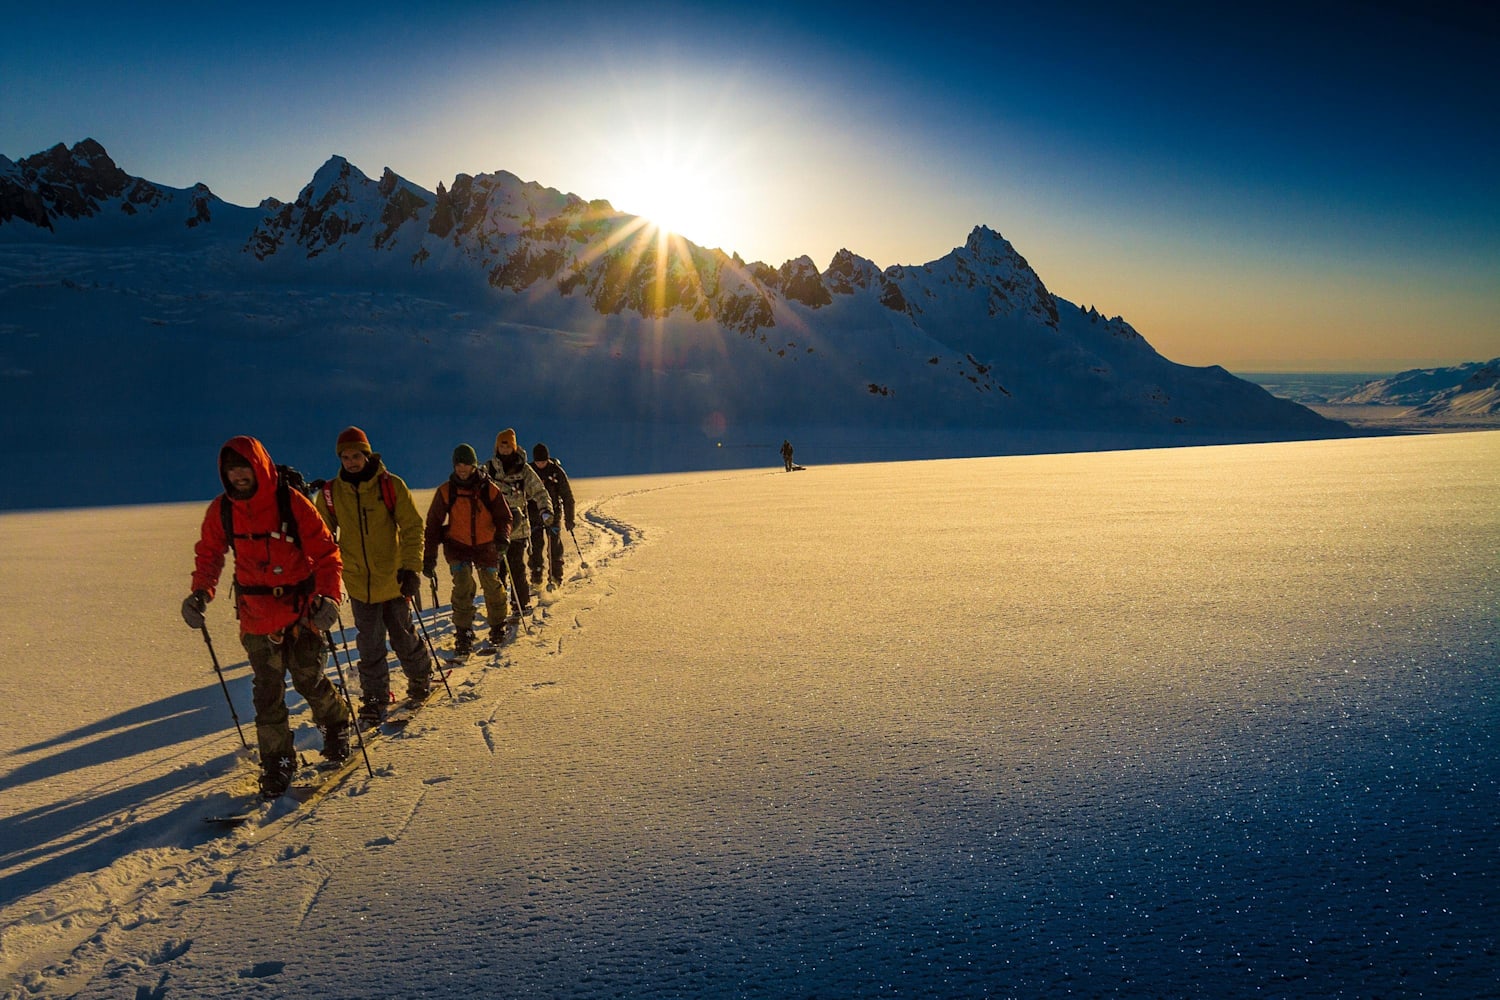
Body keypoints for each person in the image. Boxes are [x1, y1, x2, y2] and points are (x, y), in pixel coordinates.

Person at [181, 436, 351, 799]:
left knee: (308, 679)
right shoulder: (223, 510)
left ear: (258, 466)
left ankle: (336, 725)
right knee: (267, 692)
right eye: (231, 470)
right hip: (256, 618)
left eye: (244, 467)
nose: (238, 475)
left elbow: (326, 553)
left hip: (301, 612)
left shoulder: (291, 503)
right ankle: (277, 761)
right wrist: (200, 593)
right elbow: (209, 554)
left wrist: (329, 598)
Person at [319, 426, 433, 725]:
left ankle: (420, 678)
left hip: (394, 580)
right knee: (369, 646)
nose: (351, 462)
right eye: (345, 457)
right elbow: (320, 536)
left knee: (403, 636)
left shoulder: (390, 486)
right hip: (358, 583)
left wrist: (411, 568)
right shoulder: (331, 493)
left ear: (367, 455)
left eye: (356, 456)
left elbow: (412, 527)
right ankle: (374, 697)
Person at [424, 443, 514, 654]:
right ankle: (463, 632)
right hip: (458, 546)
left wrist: (502, 536)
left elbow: (504, 517)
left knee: (491, 585)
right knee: (462, 587)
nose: (462, 468)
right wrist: (429, 556)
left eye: (466, 464)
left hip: (486, 545)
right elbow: (433, 524)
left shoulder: (488, 489)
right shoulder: (447, 491)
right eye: (458, 464)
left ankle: (498, 626)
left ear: (474, 465)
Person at [482, 427, 553, 624]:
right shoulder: (488, 469)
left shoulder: (524, 469)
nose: (505, 450)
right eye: (502, 446)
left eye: (508, 446)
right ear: (497, 447)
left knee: (516, 567)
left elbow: (539, 491)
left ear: (513, 447)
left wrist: (545, 509)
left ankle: (520, 604)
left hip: (518, 527)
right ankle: (497, 608)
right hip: (494, 529)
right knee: (496, 572)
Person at [527, 442, 576, 589]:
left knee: (554, 546)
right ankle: (536, 577)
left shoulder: (556, 471)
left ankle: (555, 577)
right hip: (534, 515)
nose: (541, 464)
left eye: (543, 461)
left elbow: (567, 496)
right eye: (538, 462)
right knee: (535, 547)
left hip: (553, 515)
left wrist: (569, 519)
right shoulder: (529, 471)